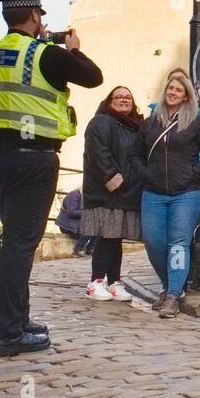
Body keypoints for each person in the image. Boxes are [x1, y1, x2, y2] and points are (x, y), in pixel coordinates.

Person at [0, 0, 103, 357]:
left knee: (17, 241)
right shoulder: (45, 54)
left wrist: (41, 39)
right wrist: (71, 47)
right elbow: (93, 77)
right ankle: (8, 336)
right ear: (34, 16)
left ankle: (18, 321)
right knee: (19, 246)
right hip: (32, 161)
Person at [131, 71, 200, 318]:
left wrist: (192, 173)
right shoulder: (150, 123)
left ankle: (173, 295)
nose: (173, 93)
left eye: (178, 90)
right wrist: (145, 174)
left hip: (187, 193)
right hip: (153, 193)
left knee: (178, 244)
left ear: (186, 95)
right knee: (154, 243)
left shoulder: (195, 122)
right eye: (170, 89)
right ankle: (168, 285)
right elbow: (135, 154)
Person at [80, 86, 144, 301]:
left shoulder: (134, 126)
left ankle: (114, 281)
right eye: (119, 97)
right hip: (107, 192)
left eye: (128, 97)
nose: (124, 100)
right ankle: (96, 281)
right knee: (107, 237)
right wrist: (116, 181)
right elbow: (98, 154)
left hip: (127, 192)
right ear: (110, 101)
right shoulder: (101, 122)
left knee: (115, 239)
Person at [54, 189, 95, 256]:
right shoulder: (74, 195)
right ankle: (78, 249)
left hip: (78, 225)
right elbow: (71, 212)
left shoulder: (87, 197)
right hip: (68, 226)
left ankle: (91, 248)